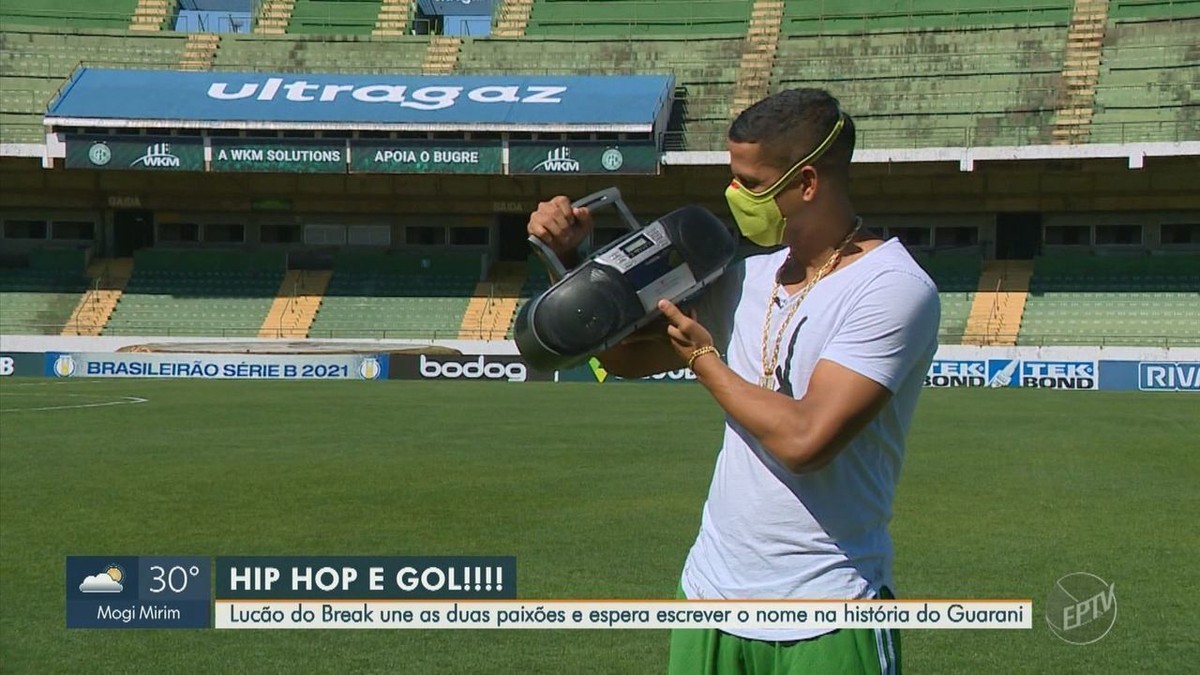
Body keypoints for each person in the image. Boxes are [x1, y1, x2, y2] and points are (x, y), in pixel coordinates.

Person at [527, 88, 940, 674]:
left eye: (749, 182)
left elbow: (807, 440)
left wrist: (706, 362)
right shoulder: (746, 273)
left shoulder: (892, 287)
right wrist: (574, 262)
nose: (734, 195)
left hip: (827, 607)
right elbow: (624, 358)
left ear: (807, 183)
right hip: (710, 597)